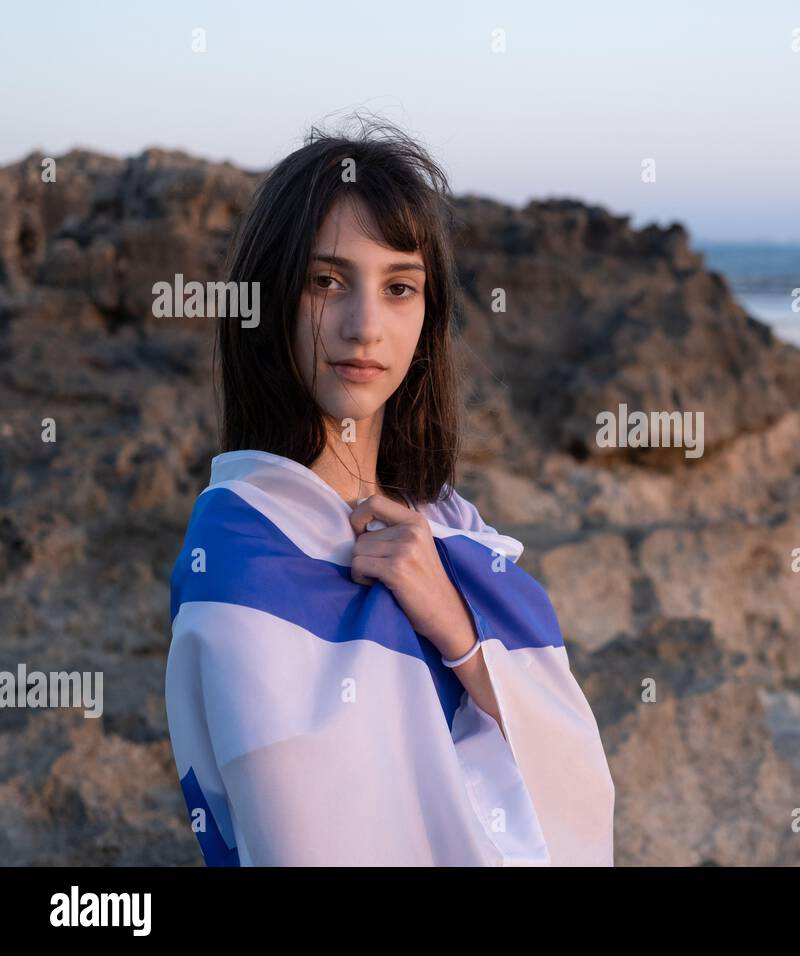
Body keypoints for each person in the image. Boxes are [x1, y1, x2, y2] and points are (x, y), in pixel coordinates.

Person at [164, 120, 615, 866]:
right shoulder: (241, 561)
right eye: (326, 282)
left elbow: (575, 782)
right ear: (270, 301)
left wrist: (459, 631)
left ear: (427, 317)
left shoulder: (451, 528)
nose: (365, 325)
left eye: (399, 287)